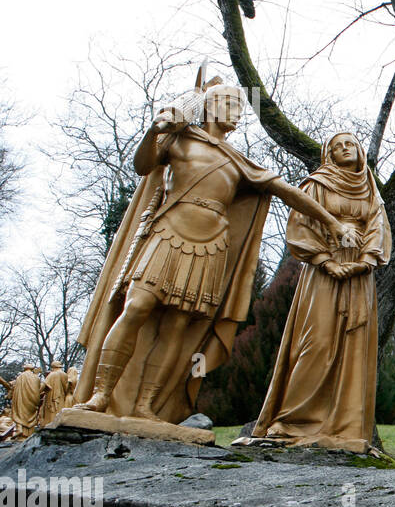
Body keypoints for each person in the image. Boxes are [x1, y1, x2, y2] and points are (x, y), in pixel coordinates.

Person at [74, 75, 355, 424]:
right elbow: (143, 165)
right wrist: (154, 131)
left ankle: (148, 406)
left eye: (240, 107)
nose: (238, 113)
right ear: (210, 106)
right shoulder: (180, 140)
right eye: (232, 104)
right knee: (136, 307)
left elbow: (287, 192)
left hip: (211, 247)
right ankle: (101, 395)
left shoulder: (239, 161)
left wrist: (332, 222)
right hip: (167, 232)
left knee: (178, 328)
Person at [251, 132, 392, 452]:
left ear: (360, 152)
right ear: (328, 154)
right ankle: (292, 421)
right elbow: (301, 224)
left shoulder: (370, 189)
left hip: (359, 274)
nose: (345, 149)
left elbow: (378, 227)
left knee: (352, 348)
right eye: (338, 145)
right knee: (316, 342)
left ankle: (344, 428)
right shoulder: (317, 184)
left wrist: (365, 261)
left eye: (351, 144)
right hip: (323, 273)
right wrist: (326, 261)